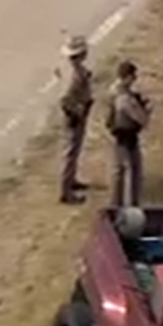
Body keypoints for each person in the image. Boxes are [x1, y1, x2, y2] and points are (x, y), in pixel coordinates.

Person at [106, 60, 151, 207]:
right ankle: (132, 204)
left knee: (118, 172)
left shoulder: (113, 90)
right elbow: (142, 119)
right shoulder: (125, 99)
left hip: (117, 134)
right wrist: (147, 110)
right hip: (127, 137)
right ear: (128, 77)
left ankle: (115, 203)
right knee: (133, 172)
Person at [58, 35, 95, 205]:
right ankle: (66, 191)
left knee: (74, 149)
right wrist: (77, 112)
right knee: (71, 151)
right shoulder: (75, 74)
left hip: (78, 111)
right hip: (75, 114)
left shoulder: (73, 69)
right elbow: (65, 99)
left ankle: (71, 180)